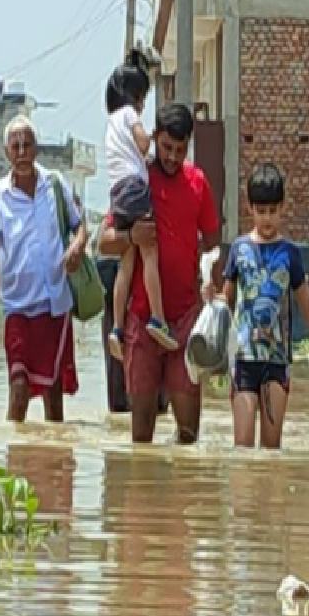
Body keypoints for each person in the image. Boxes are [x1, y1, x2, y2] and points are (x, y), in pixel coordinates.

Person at [99, 102, 221, 444]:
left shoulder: (198, 183)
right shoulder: (138, 181)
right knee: (141, 438)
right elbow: (104, 243)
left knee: (188, 434)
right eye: (167, 147)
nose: (172, 156)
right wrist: (129, 237)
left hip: (185, 320)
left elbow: (213, 244)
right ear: (154, 139)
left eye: (180, 150)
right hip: (142, 320)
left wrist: (217, 287)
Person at [221, 162, 309, 449]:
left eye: (273, 211)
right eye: (261, 211)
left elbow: (308, 304)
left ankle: (270, 496)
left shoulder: (290, 254)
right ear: (250, 208)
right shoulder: (239, 250)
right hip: (243, 359)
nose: (267, 219)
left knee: (270, 451)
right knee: (242, 447)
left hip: (277, 361)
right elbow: (225, 301)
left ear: (282, 208)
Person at [0, 114, 88, 423]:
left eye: (27, 145)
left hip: (54, 303)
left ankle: (55, 460)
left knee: (53, 390)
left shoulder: (55, 185)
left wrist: (76, 247)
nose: (22, 152)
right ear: (7, 152)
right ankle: (16, 456)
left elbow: (80, 226)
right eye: (16, 146)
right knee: (19, 384)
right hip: (17, 307)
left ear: (36, 149)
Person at [104, 50, 179, 361]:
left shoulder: (110, 122)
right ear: (134, 96)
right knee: (150, 251)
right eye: (143, 98)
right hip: (136, 187)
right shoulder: (129, 115)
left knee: (127, 260)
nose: (143, 105)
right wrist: (151, 140)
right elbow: (143, 144)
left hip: (117, 191)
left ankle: (117, 328)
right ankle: (158, 318)